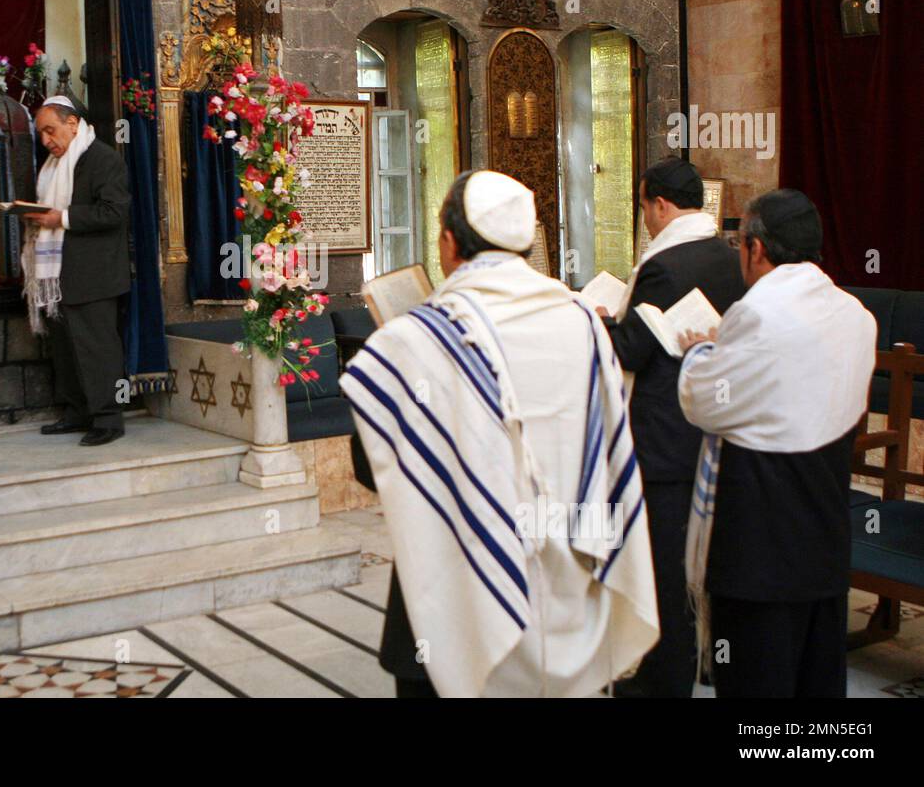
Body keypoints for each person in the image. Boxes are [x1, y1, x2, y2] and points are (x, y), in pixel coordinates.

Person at [341, 171, 659, 697]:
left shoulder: (422, 337)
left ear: (447, 242)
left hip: (453, 579)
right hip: (566, 590)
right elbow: (606, 442)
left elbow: (370, 464)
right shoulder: (581, 319)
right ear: (526, 242)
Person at [678, 189, 875, 698]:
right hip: (825, 540)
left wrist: (701, 353)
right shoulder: (856, 314)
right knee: (816, 683)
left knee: (757, 686)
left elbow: (704, 404)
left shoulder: (758, 313)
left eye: (738, 242)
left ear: (757, 248)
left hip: (759, 550)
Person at [598, 158, 746, 698]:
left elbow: (632, 349)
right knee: (699, 561)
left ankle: (663, 681)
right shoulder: (727, 257)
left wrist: (599, 321)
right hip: (712, 429)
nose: (646, 221)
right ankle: (704, 660)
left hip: (664, 437)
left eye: (644, 208)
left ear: (659, 205)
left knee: (663, 565)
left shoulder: (664, 265)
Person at [22, 95, 130, 447]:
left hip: (94, 274)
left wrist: (61, 218)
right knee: (67, 349)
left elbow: (114, 212)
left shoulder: (102, 159)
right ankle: (77, 412)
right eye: (41, 134)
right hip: (58, 275)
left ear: (72, 124)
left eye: (50, 131)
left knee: (98, 349)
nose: (46, 141)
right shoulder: (53, 166)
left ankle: (109, 418)